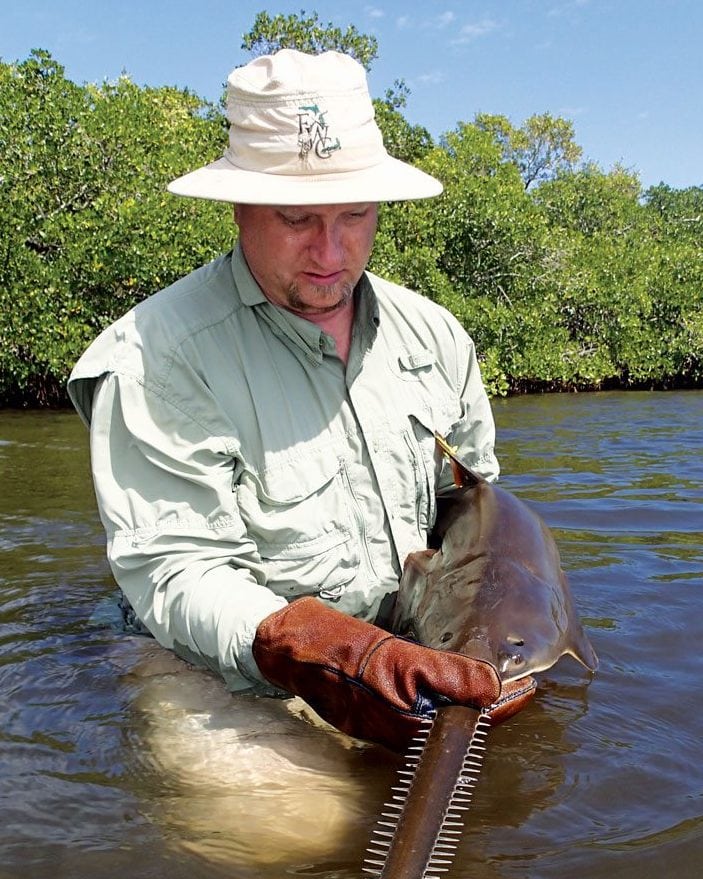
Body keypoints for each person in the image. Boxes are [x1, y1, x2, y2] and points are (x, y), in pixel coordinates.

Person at [68, 49, 534, 753]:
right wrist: (316, 646)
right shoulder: (153, 355)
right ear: (238, 207)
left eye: (354, 214)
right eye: (295, 218)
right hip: (219, 669)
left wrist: (493, 642)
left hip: (401, 651)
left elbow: (475, 511)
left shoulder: (437, 337)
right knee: (294, 840)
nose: (330, 249)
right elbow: (180, 572)